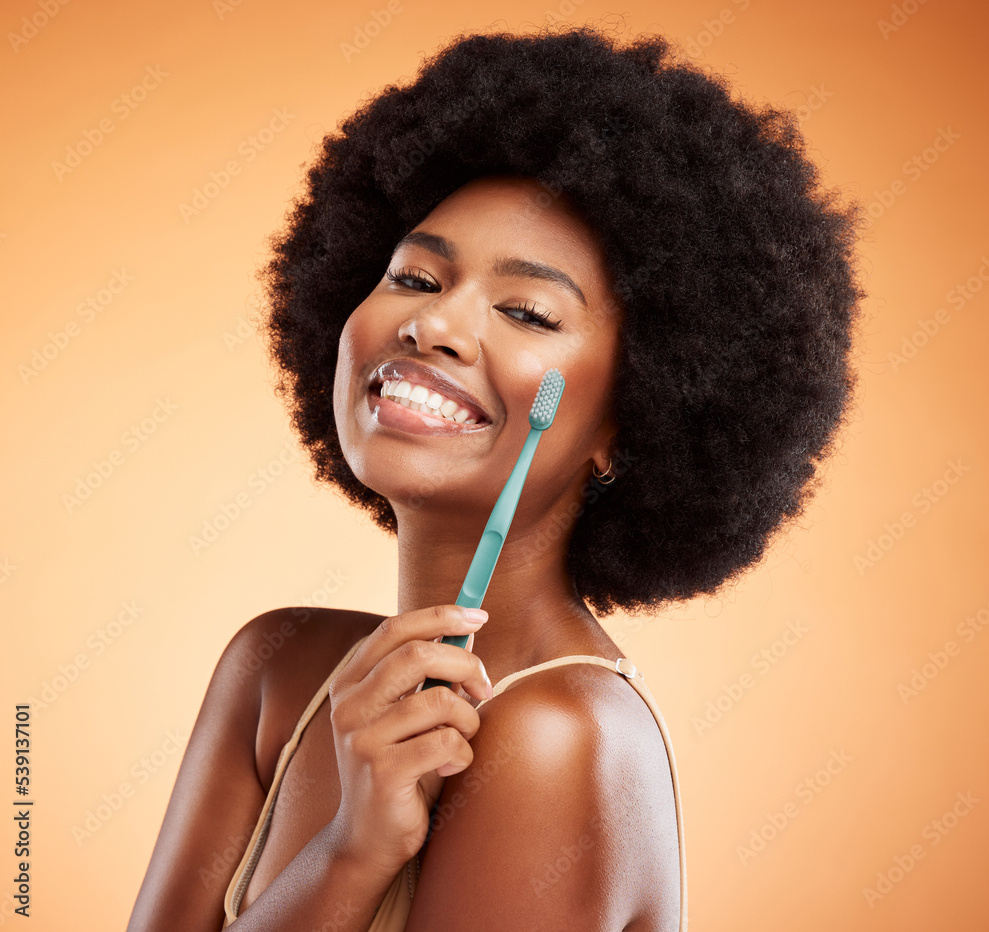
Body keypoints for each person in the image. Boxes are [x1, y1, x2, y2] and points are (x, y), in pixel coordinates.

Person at [127, 22, 863, 932]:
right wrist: (348, 850)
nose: (433, 326)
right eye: (415, 277)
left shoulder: (556, 738)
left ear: (629, 420)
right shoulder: (276, 668)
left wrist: (354, 853)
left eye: (527, 311)